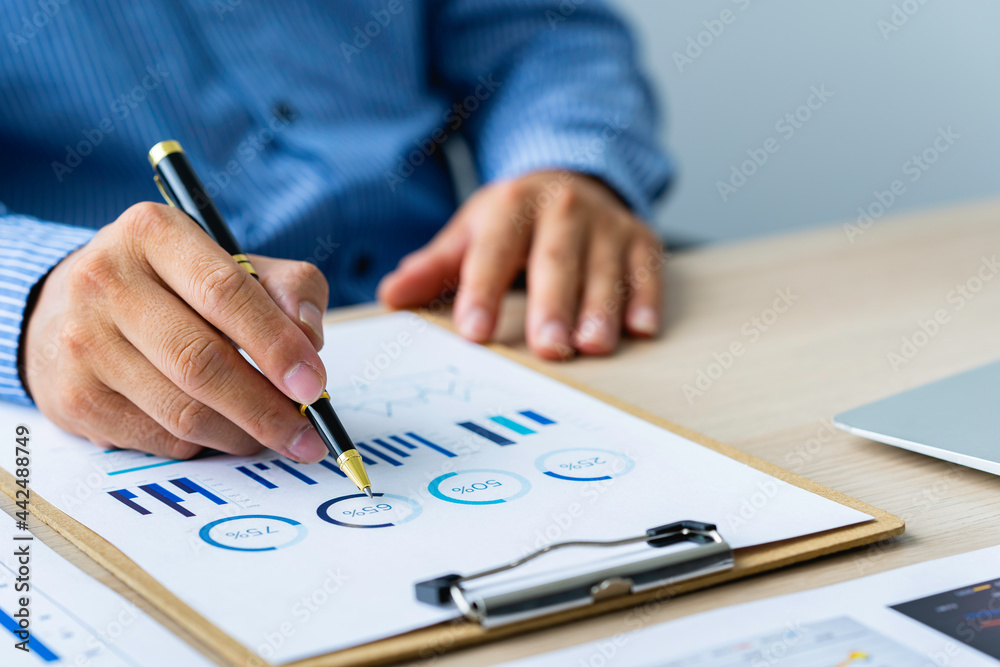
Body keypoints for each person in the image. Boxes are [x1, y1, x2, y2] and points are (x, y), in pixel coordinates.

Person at [0, 0, 672, 464]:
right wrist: (34, 297)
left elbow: (544, 30)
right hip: (130, 369)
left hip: (470, 307)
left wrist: (561, 159)